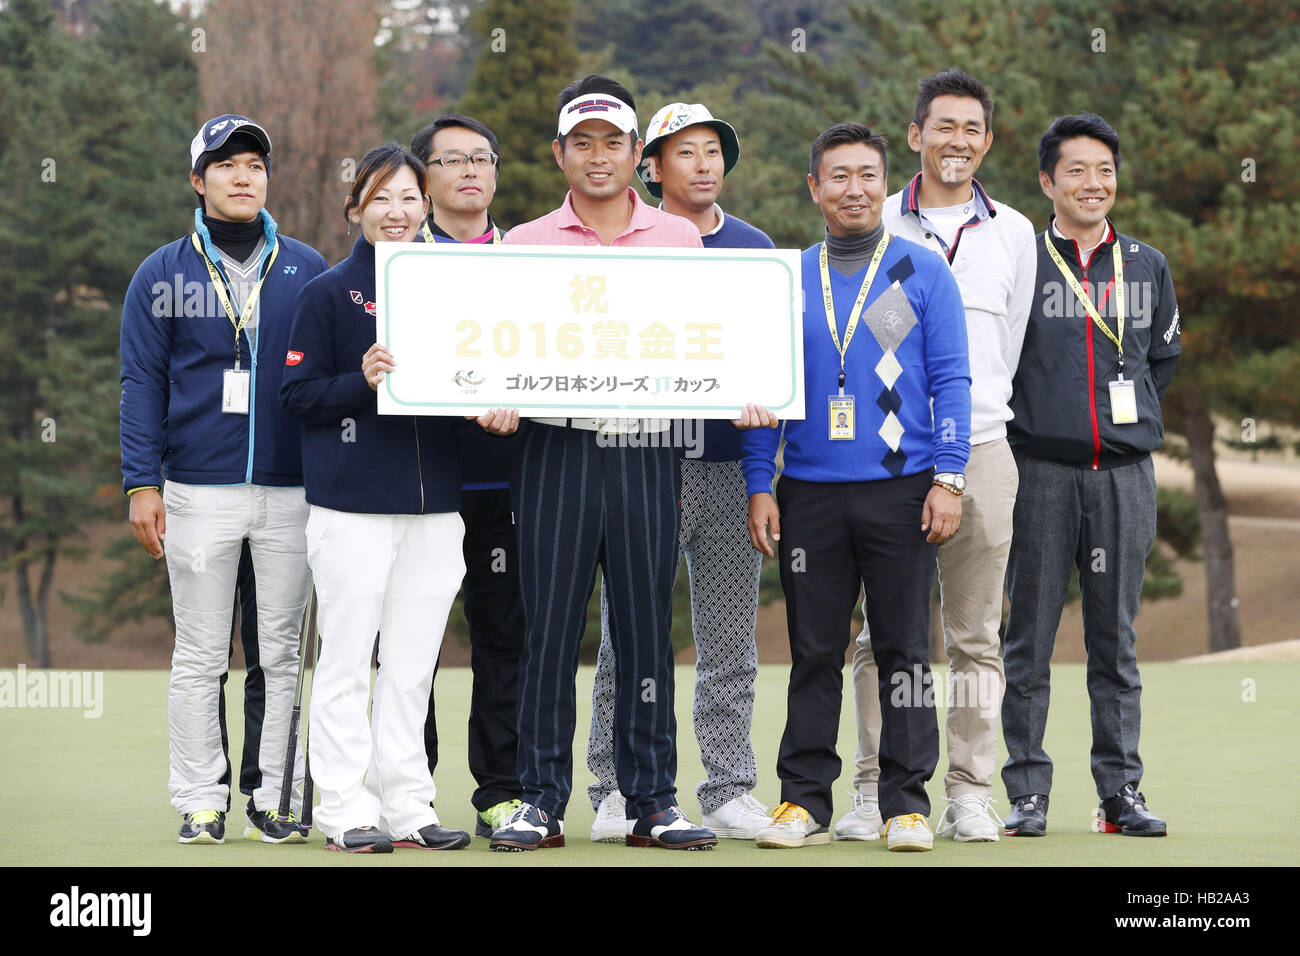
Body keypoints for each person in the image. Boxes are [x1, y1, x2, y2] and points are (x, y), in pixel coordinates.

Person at [487, 74, 716, 852]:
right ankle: (542, 799)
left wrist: (750, 388)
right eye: (580, 143)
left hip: (647, 447)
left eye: (611, 142)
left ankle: (652, 800)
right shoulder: (522, 245)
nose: (596, 157)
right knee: (550, 627)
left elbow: (708, 343)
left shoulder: (682, 240)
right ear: (559, 154)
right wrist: (495, 396)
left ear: (634, 154)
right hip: (556, 446)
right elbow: (497, 351)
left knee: (647, 630)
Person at [279, 142, 518, 853]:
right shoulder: (325, 293)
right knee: (349, 660)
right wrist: (360, 379)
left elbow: (476, 380)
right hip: (350, 505)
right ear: (355, 208)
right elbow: (297, 396)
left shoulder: (455, 292)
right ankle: (345, 811)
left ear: (427, 207)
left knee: (414, 665)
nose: (396, 211)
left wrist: (497, 402)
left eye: (409, 197)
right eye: (380, 198)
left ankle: (409, 806)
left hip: (436, 507)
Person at [744, 122, 971, 852]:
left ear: (886, 183)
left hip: (902, 489)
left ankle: (906, 804)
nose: (855, 189)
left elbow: (951, 379)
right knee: (814, 651)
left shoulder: (919, 270)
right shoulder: (787, 276)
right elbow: (764, 391)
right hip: (808, 492)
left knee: (905, 648)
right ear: (814, 189)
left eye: (868, 174)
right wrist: (760, 482)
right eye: (838, 176)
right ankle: (803, 800)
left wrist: (950, 476)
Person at [837, 69, 1036, 844]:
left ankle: (969, 791)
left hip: (983, 449)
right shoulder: (872, 219)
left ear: (987, 141)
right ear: (915, 135)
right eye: (942, 127)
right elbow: (850, 337)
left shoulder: (1014, 233)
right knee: (880, 636)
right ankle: (874, 790)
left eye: (972, 129)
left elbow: (1007, 346)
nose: (958, 141)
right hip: (886, 456)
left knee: (977, 634)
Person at [120, 114, 327, 845]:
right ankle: (201, 799)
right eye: (227, 164)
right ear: (197, 180)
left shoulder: (306, 268)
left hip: (291, 488)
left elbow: (328, 379)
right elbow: (141, 381)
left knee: (280, 651)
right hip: (197, 490)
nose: (244, 176)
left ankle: (275, 795)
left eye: (255, 165)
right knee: (202, 652)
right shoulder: (162, 273)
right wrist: (141, 481)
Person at [585, 101, 778, 842]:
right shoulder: (629, 243)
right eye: (685, 153)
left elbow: (768, 383)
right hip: (644, 465)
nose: (703, 165)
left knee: (730, 638)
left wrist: (762, 482)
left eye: (713, 152)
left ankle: (728, 788)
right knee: (628, 638)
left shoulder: (756, 249)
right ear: (652, 167)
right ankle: (612, 788)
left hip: (730, 474)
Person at [1001, 113, 1178, 838]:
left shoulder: (1146, 264)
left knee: (1117, 641)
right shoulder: (1023, 261)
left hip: (1125, 477)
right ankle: (1027, 791)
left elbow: (1159, 360)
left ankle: (1120, 793)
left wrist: (1123, 426)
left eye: (1104, 169)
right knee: (1029, 641)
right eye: (1076, 170)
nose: (1093, 183)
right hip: (1039, 471)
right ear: (1047, 182)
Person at [409, 114, 525, 839]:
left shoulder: (529, 257)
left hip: (506, 486)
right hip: (413, 488)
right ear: (424, 177)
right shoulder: (396, 262)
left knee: (503, 644)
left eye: (482, 158)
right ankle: (408, 789)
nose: (470, 171)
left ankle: (501, 792)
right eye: (452, 160)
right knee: (412, 646)